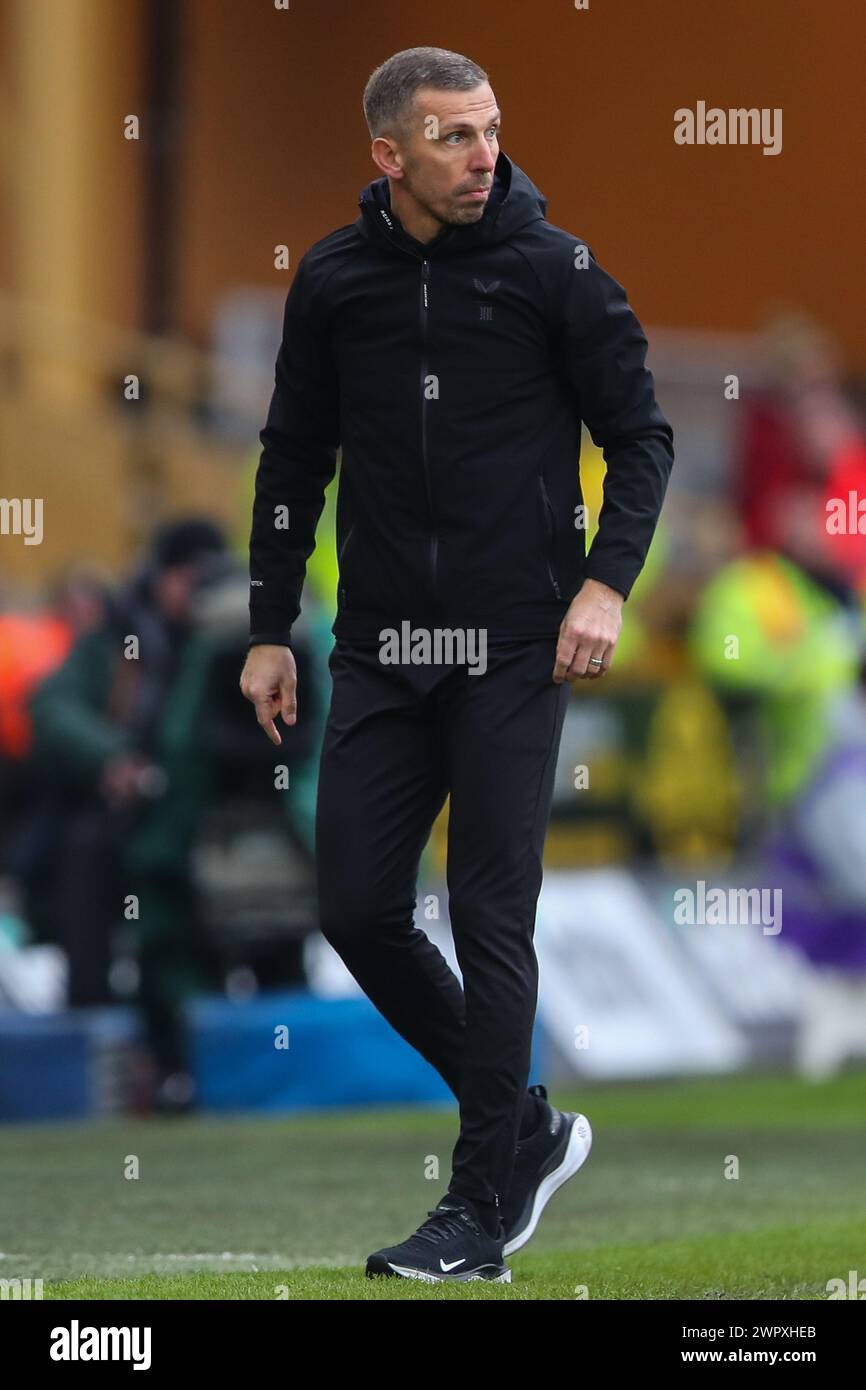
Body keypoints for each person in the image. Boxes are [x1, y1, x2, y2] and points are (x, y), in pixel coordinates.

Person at [240, 47, 674, 1282]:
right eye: (452, 137)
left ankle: (477, 1205)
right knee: (356, 909)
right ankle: (525, 1127)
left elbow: (640, 439)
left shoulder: (556, 270)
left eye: (489, 131)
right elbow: (290, 458)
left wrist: (603, 584)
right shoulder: (330, 280)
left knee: (491, 911)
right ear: (389, 154)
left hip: (513, 643)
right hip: (378, 649)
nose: (483, 155)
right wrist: (271, 628)